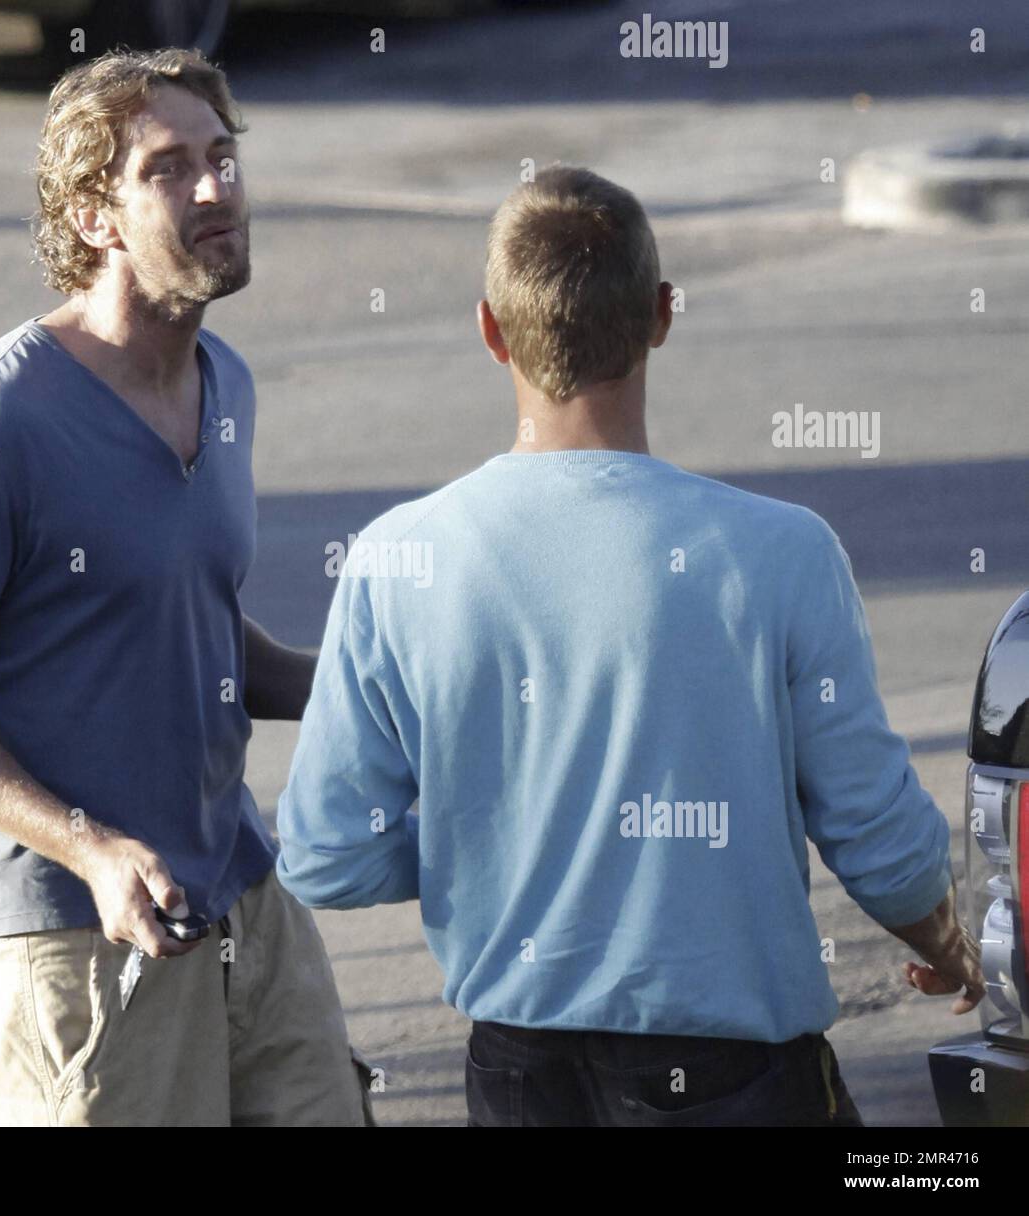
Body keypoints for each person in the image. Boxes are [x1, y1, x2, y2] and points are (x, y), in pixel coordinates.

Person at [275, 165, 983, 1127]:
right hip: (736, 1076)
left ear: (491, 329)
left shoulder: (393, 559)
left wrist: (491, 835)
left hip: (516, 1072)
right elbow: (873, 827)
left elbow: (326, 856)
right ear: (661, 315)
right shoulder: (782, 552)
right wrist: (946, 939)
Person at [0, 48, 368, 1127]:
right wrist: (89, 847)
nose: (217, 189)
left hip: (239, 899)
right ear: (95, 216)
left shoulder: (223, 382)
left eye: (223, 159)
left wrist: (382, 684)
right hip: (68, 945)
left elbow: (195, 630)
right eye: (171, 169)